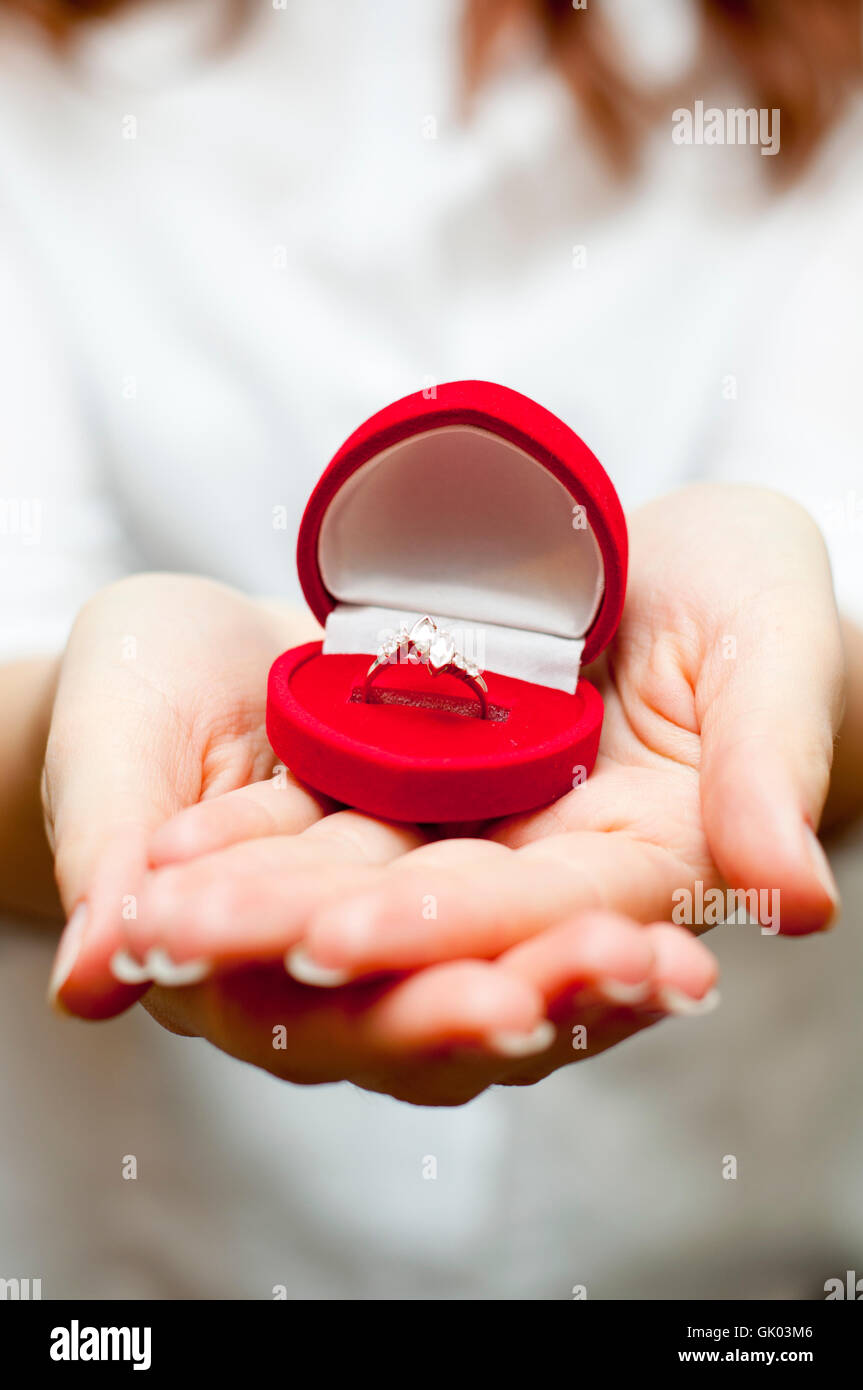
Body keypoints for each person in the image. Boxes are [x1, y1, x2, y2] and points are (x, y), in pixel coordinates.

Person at [1, 0, 862, 1299]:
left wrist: (802, 707)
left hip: (729, 1262)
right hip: (150, 1272)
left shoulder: (822, 54)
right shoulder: (38, 71)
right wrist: (68, 734)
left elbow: (835, 574)